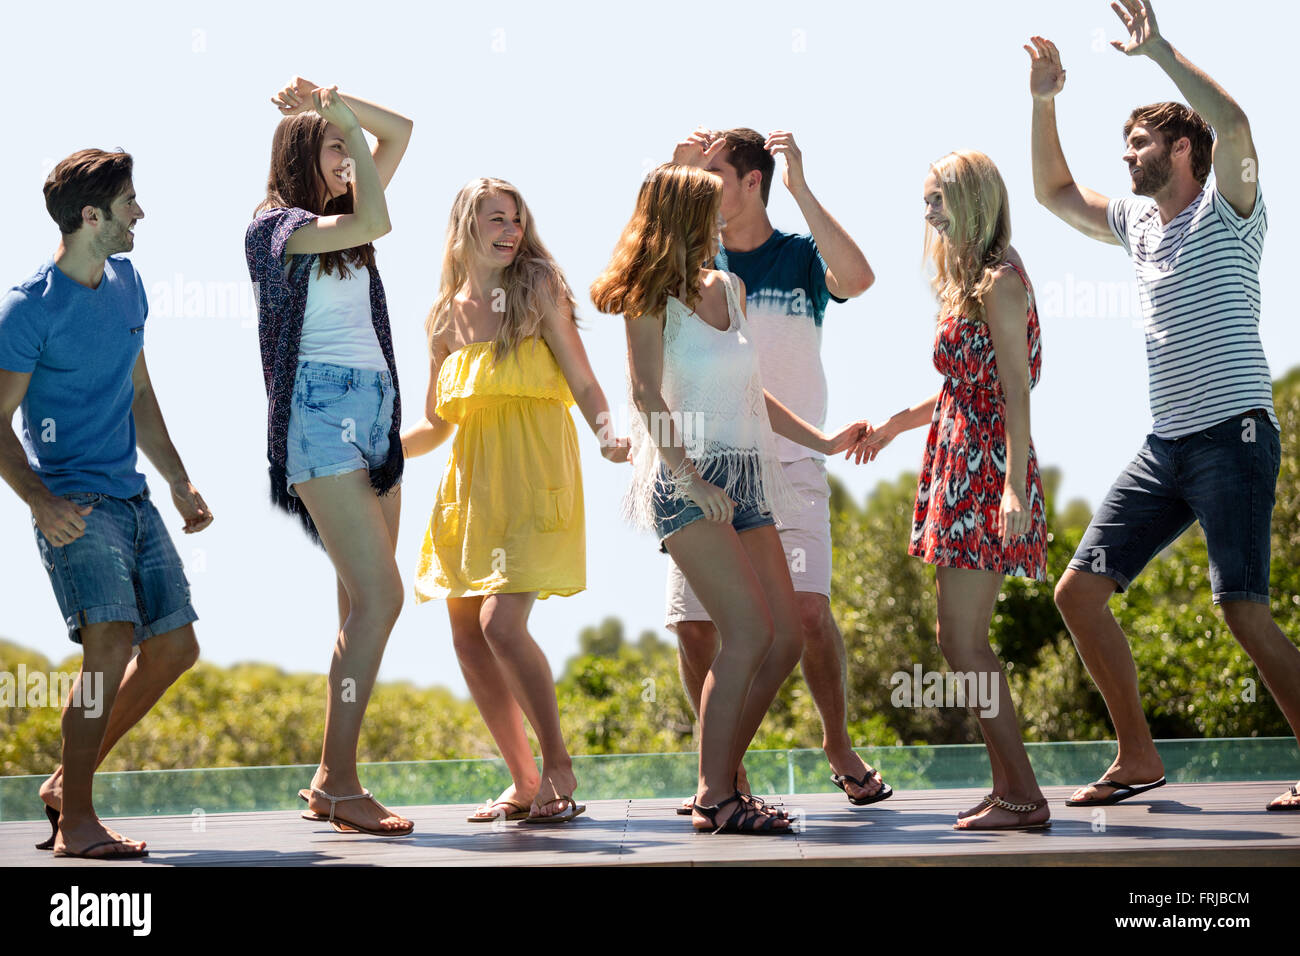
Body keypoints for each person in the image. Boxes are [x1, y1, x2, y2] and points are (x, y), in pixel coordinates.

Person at [1028, 1, 1300, 813]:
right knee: (1077, 594)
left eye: (1140, 141)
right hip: (1165, 447)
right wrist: (1044, 102)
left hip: (1233, 437)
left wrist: (1161, 53)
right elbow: (1054, 192)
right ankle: (1138, 756)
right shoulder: (1138, 223)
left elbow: (1238, 123)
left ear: (1183, 149)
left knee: (1241, 608)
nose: (1127, 154)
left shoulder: (1231, 209)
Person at [592, 163, 870, 833]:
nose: (722, 215)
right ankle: (718, 797)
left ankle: (716, 784)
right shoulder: (646, 298)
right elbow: (645, 396)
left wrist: (823, 441)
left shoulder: (730, 287)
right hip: (686, 482)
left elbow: (753, 393)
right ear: (683, 215)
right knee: (745, 633)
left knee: (783, 639)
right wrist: (690, 477)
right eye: (709, 205)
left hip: (746, 475)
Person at [0, 148, 211, 858]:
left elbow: (139, 389)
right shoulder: (28, 309)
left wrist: (178, 478)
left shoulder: (127, 283)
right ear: (91, 216)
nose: (140, 214)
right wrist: (38, 500)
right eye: (128, 204)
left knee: (175, 648)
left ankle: (67, 784)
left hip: (134, 496)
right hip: (73, 504)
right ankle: (79, 824)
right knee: (110, 647)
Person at [668, 128, 889, 807]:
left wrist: (801, 187)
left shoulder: (798, 256)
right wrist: (675, 175)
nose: (703, 185)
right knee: (696, 628)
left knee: (808, 615)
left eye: (712, 173)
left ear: (752, 181)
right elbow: (631, 274)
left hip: (790, 464)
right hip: (706, 469)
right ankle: (724, 777)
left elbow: (858, 279)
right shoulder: (692, 263)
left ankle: (838, 747)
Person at [401, 178, 629, 824]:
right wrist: (375, 455)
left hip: (535, 481)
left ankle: (559, 766)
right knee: (466, 636)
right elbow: (435, 425)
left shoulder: (538, 287)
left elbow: (583, 379)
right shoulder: (442, 317)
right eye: (497, 219)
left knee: (501, 625)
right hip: (470, 493)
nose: (510, 231)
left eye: (517, 219)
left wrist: (610, 436)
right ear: (465, 226)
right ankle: (524, 779)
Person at [859, 151, 1051, 830]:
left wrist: (1013, 489)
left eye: (937, 199)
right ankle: (1009, 789)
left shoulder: (1000, 280)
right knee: (957, 639)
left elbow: (1016, 389)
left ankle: (1024, 795)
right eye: (926, 200)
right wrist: (894, 425)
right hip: (956, 460)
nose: (929, 213)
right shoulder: (966, 280)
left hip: (985, 471)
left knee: (964, 642)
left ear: (973, 199)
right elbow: (959, 386)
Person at [244, 78, 415, 835]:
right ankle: (339, 782)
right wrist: (333, 119)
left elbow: (401, 132)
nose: (351, 157)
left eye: (351, 148)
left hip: (376, 408)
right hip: (318, 412)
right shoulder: (274, 228)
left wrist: (335, 103)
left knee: (359, 606)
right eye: (337, 148)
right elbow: (379, 216)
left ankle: (332, 779)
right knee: (382, 599)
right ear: (301, 155)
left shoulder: (344, 216)